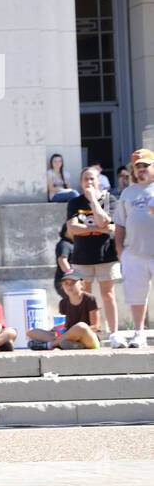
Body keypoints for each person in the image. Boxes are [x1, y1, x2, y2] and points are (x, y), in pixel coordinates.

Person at [65, 165, 122, 347]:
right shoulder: (74, 203)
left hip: (106, 255)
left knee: (108, 294)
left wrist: (93, 201)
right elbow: (73, 228)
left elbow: (107, 221)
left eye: (92, 178)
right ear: (81, 183)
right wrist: (99, 228)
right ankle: (91, 333)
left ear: (99, 181)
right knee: (86, 297)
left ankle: (113, 334)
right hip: (82, 256)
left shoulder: (110, 199)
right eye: (85, 179)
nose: (89, 182)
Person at [113, 148, 154, 348]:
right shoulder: (128, 193)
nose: (141, 169)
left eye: (146, 165)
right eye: (138, 166)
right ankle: (139, 333)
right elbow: (120, 222)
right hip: (134, 252)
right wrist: (120, 249)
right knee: (137, 295)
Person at [27, 271, 101, 349]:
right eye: (66, 283)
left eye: (72, 283)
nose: (69, 286)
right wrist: (57, 331)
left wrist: (73, 332)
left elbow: (95, 326)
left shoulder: (90, 299)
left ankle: (50, 345)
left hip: (88, 338)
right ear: (62, 286)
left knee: (81, 326)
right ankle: (73, 345)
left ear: (82, 284)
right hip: (66, 337)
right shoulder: (63, 303)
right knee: (31, 332)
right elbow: (63, 325)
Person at [53, 222, 73, 300]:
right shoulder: (64, 244)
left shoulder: (71, 244)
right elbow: (62, 261)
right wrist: (72, 277)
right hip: (66, 281)